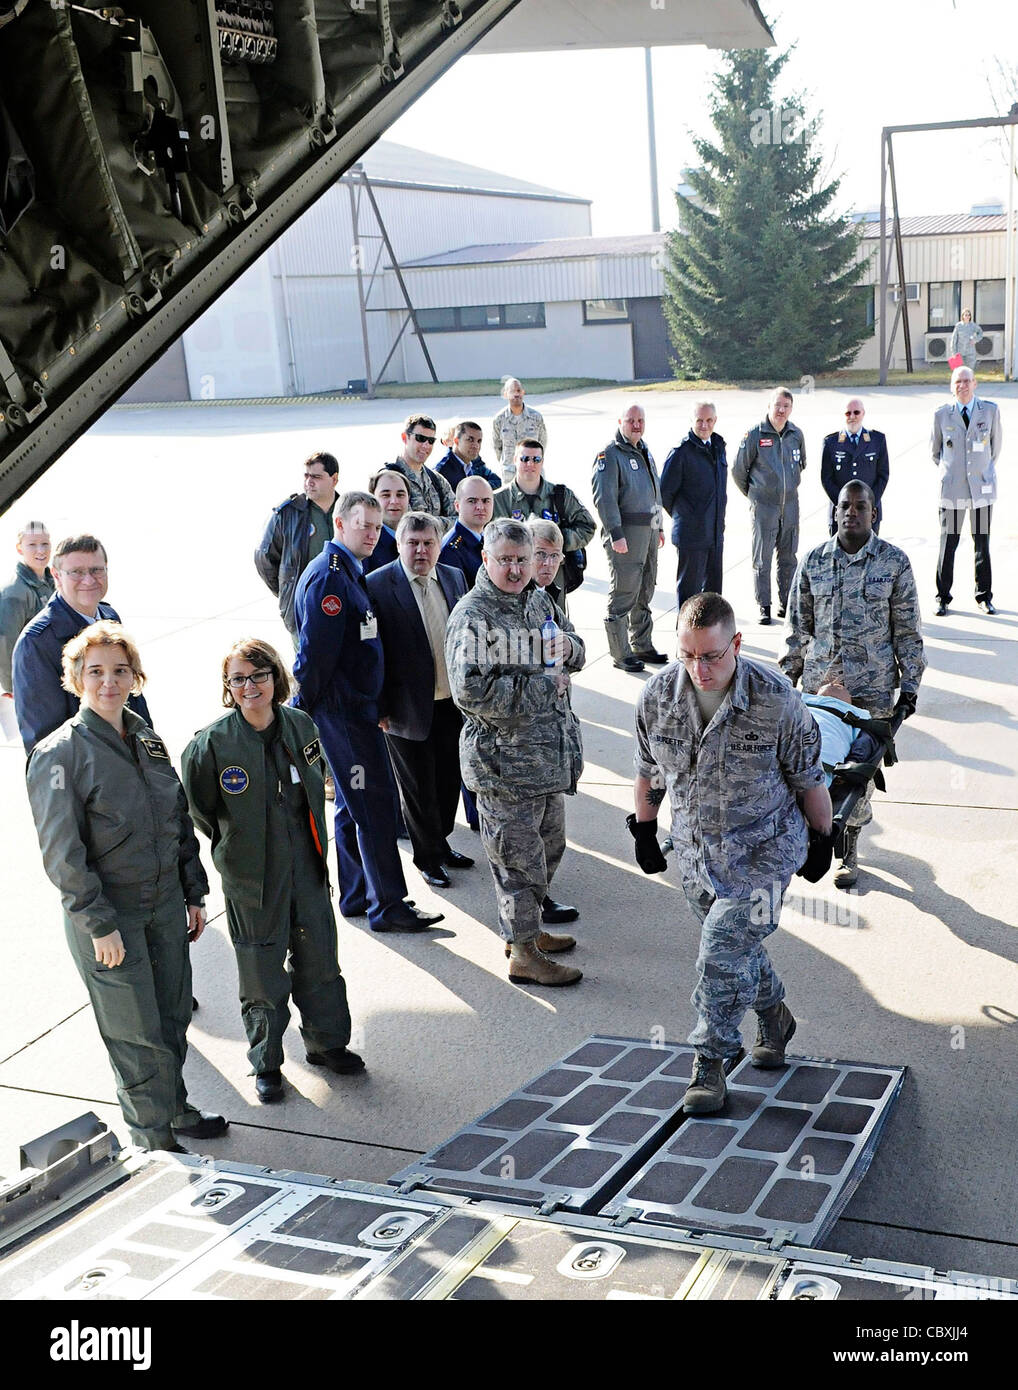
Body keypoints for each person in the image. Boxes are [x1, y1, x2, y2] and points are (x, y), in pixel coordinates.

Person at [25, 621, 226, 1152]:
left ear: (135, 677)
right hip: (111, 918)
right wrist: (99, 925)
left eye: (119, 671)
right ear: (76, 679)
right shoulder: (58, 756)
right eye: (95, 672)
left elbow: (177, 821)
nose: (108, 682)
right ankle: (153, 1138)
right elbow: (63, 856)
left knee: (172, 1015)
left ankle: (176, 1110)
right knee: (135, 1033)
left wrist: (192, 892)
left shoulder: (147, 740)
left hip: (163, 906)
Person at [629, 593, 831, 1115]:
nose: (700, 668)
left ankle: (710, 1061)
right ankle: (774, 1014)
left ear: (735, 644)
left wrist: (822, 839)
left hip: (765, 850)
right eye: (688, 654)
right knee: (736, 952)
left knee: (720, 949)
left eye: (712, 655)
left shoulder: (776, 699)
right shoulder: (657, 697)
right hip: (697, 854)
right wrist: (645, 832)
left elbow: (808, 779)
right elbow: (650, 770)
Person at [182, 637, 362, 1105]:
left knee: (320, 962)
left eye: (258, 675)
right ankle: (268, 1065)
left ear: (275, 678)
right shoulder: (211, 745)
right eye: (238, 678)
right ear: (228, 686)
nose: (249, 686)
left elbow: (314, 785)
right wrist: (233, 849)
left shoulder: (301, 726)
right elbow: (200, 812)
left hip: (307, 869)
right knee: (262, 976)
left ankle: (327, 1045)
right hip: (252, 882)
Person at [293, 491, 443, 933]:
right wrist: (306, 714)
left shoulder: (348, 571)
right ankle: (389, 907)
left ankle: (358, 895)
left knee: (350, 803)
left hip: (355, 713)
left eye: (378, 527)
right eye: (365, 525)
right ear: (340, 525)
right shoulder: (330, 579)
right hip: (344, 717)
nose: (374, 534)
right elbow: (312, 659)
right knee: (373, 806)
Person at [446, 518, 585, 985]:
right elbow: (470, 692)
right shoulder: (473, 615)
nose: (514, 569)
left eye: (522, 560)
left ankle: (527, 930)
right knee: (517, 862)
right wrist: (543, 689)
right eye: (504, 560)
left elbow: (577, 650)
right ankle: (523, 954)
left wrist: (569, 646)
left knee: (547, 851)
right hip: (504, 767)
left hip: (546, 759)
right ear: (486, 559)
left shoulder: (539, 599)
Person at [780, 480, 926, 888]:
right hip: (820, 692)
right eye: (845, 506)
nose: (851, 513)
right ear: (835, 510)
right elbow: (797, 629)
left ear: (873, 512)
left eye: (861, 506)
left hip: (872, 694)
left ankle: (849, 845)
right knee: (813, 768)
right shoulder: (813, 562)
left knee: (856, 777)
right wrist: (784, 682)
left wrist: (909, 690)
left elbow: (908, 633)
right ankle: (811, 841)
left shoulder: (893, 563)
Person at [367, 513, 471, 889]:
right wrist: (378, 707)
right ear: (399, 544)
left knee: (448, 782)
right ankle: (427, 858)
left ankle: (440, 843)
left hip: (452, 702)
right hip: (404, 709)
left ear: (439, 545)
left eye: (428, 543)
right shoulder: (377, 586)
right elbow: (371, 654)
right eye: (413, 543)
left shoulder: (454, 577)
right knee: (418, 790)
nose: (421, 550)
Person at [12, 534, 151, 756]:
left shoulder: (108, 616)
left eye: (97, 570)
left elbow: (133, 696)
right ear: (56, 576)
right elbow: (45, 741)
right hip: (90, 774)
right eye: (76, 572)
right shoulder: (36, 643)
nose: (89, 580)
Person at [591, 403, 667, 671]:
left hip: (648, 534)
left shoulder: (644, 451)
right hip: (626, 536)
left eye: (640, 420)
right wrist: (616, 534)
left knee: (645, 589)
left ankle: (642, 644)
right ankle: (621, 653)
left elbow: (654, 492)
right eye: (631, 420)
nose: (636, 425)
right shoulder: (610, 455)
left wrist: (659, 527)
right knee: (624, 592)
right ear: (620, 421)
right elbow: (605, 499)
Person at [492, 438, 595, 614]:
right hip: (513, 577)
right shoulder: (498, 500)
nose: (530, 464)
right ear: (514, 460)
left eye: (536, 459)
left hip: (553, 575)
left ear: (542, 462)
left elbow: (587, 526)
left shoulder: (560, 496)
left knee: (555, 622)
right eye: (524, 459)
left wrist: (557, 543)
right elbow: (487, 539)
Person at [732, 387, 807, 624]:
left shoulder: (796, 434)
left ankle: (787, 603)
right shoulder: (755, 434)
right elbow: (738, 470)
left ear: (791, 409)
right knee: (762, 557)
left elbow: (801, 464)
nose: (781, 410)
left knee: (789, 557)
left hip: (790, 505)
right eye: (777, 405)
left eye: (786, 406)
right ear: (769, 407)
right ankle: (764, 605)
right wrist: (755, 495)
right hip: (764, 505)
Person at [931, 365, 1001, 616]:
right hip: (952, 491)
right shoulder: (942, 414)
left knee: (982, 543)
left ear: (975, 384)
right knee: (947, 544)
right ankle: (942, 597)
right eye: (958, 382)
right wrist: (954, 474)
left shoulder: (990, 411)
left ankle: (984, 596)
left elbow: (995, 447)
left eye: (967, 381)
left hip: (981, 490)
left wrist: (978, 473)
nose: (962, 385)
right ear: (952, 386)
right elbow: (935, 452)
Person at [254, 451, 340, 643]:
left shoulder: (349, 510)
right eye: (306, 475)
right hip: (303, 609)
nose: (309, 481)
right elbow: (264, 557)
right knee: (308, 670)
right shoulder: (288, 514)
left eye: (316, 477)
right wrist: (288, 588)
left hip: (342, 604)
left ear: (334, 479)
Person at [659, 402, 727, 610]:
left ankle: (711, 638)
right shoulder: (681, 453)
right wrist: (687, 516)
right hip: (692, 536)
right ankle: (686, 638)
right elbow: (664, 493)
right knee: (690, 595)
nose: (704, 425)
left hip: (714, 534)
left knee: (713, 596)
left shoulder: (718, 447)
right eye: (699, 420)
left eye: (708, 420)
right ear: (692, 421)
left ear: (715, 420)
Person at [820, 400, 889, 535]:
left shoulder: (877, 440)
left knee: (869, 554)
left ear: (863, 413)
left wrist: (868, 504)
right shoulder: (831, 442)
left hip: (869, 514)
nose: (852, 416)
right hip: (840, 515)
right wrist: (844, 505)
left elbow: (883, 475)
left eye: (856, 412)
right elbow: (826, 479)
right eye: (848, 413)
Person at [1, 520, 53, 695]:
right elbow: (5, 645)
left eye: (45, 543)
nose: (41, 550)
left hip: (53, 677)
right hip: (30, 685)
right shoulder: (13, 592)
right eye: (32, 544)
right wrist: (13, 688)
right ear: (19, 548)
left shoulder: (52, 582)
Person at [384, 414, 456, 533]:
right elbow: (408, 525)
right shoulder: (389, 478)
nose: (426, 445)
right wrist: (442, 524)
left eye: (431, 441)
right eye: (420, 438)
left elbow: (460, 519)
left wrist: (428, 524)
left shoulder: (436, 480)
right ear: (404, 437)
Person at [441, 475, 494, 588]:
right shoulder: (451, 550)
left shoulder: (491, 540)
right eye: (472, 501)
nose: (480, 507)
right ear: (457, 506)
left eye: (486, 501)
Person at [492, 378, 547, 483]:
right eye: (512, 391)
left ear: (523, 392)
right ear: (505, 394)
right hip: (510, 474)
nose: (516, 394)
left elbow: (542, 443)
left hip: (533, 472)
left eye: (518, 390)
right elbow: (497, 447)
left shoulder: (536, 417)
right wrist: (507, 463)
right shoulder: (499, 419)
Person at [363, 468, 410, 574]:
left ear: (409, 498)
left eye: (400, 495)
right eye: (386, 495)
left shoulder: (420, 539)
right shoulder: (364, 544)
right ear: (372, 499)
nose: (394, 501)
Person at [435, 420, 501, 491]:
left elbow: (497, 480)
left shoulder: (472, 463)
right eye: (470, 440)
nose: (476, 445)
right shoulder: (442, 472)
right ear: (456, 441)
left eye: (479, 441)